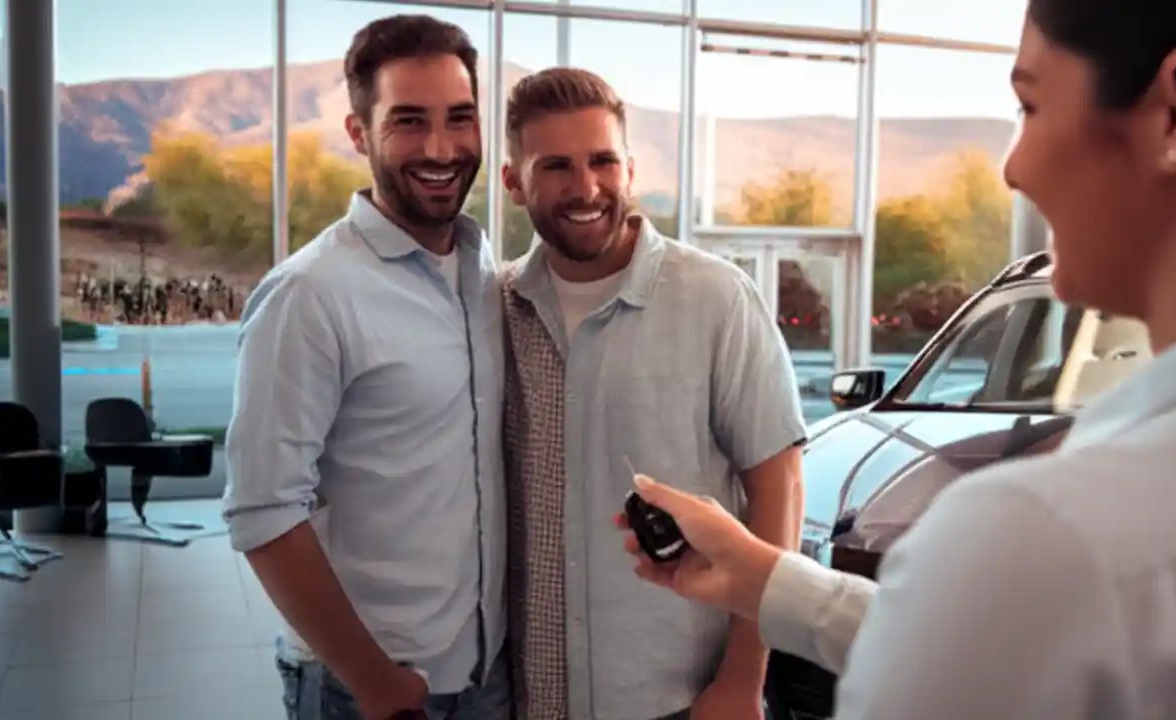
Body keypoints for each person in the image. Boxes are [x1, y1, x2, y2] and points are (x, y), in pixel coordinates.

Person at [620, 0, 1176, 717]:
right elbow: (1008, 647)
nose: (1016, 167)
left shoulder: (1046, 536)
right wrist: (772, 581)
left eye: (1031, 105)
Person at [222, 15, 509, 720]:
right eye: (409, 121)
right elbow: (262, 510)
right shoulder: (311, 293)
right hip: (371, 688)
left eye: (460, 118)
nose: (441, 148)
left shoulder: (482, 272)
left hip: (486, 673)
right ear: (359, 133)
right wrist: (374, 681)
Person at [499, 67, 807, 720]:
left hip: (681, 701)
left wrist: (744, 680)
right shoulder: (496, 308)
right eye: (556, 166)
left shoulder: (716, 299)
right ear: (513, 183)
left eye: (603, 161)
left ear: (630, 170)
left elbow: (779, 486)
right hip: (531, 698)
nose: (586, 188)